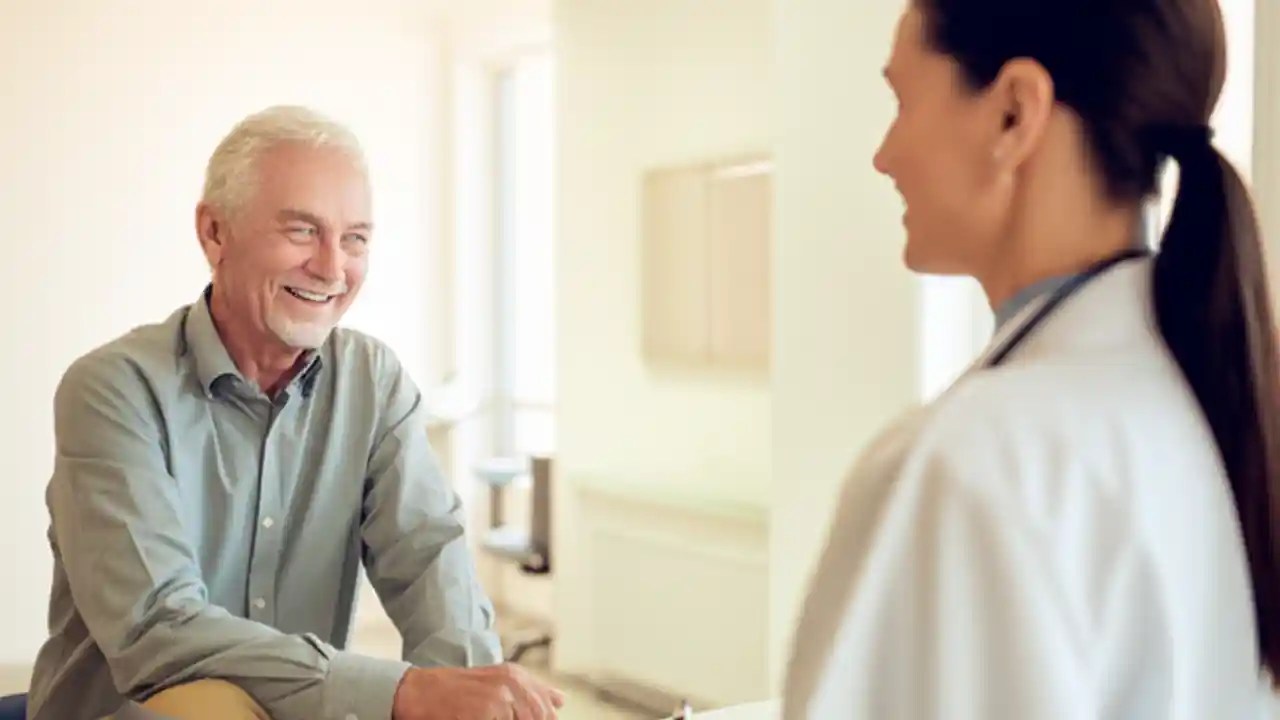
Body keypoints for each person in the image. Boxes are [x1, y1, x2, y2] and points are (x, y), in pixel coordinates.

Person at [783, 1, 1280, 718]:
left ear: (1014, 114)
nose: (884, 154)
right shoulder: (1209, 414)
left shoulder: (975, 463)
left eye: (901, 101)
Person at [26, 106, 565, 720]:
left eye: (355, 238)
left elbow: (429, 562)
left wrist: (475, 693)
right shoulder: (113, 389)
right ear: (215, 233)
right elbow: (158, 629)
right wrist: (400, 691)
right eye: (302, 231)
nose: (333, 268)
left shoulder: (373, 380)